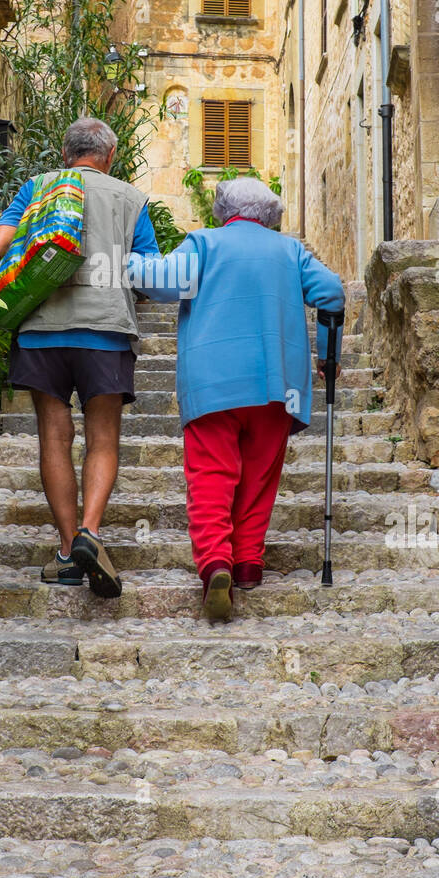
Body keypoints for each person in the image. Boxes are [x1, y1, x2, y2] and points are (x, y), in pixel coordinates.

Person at [130, 176, 344, 622]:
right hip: (276, 383)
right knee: (260, 476)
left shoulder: (203, 244)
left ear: (223, 213)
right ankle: (248, 563)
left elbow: (161, 284)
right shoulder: (290, 251)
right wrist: (327, 357)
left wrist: (124, 257)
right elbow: (332, 292)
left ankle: (216, 563)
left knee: (211, 472)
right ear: (270, 217)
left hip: (213, 381)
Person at [0, 117, 161, 598]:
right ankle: (90, 532)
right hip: (104, 329)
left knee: (54, 435)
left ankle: (66, 552)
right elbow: (145, 272)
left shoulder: (38, 187)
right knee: (102, 436)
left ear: (66, 154)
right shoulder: (130, 198)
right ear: (110, 156)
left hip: (42, 329)